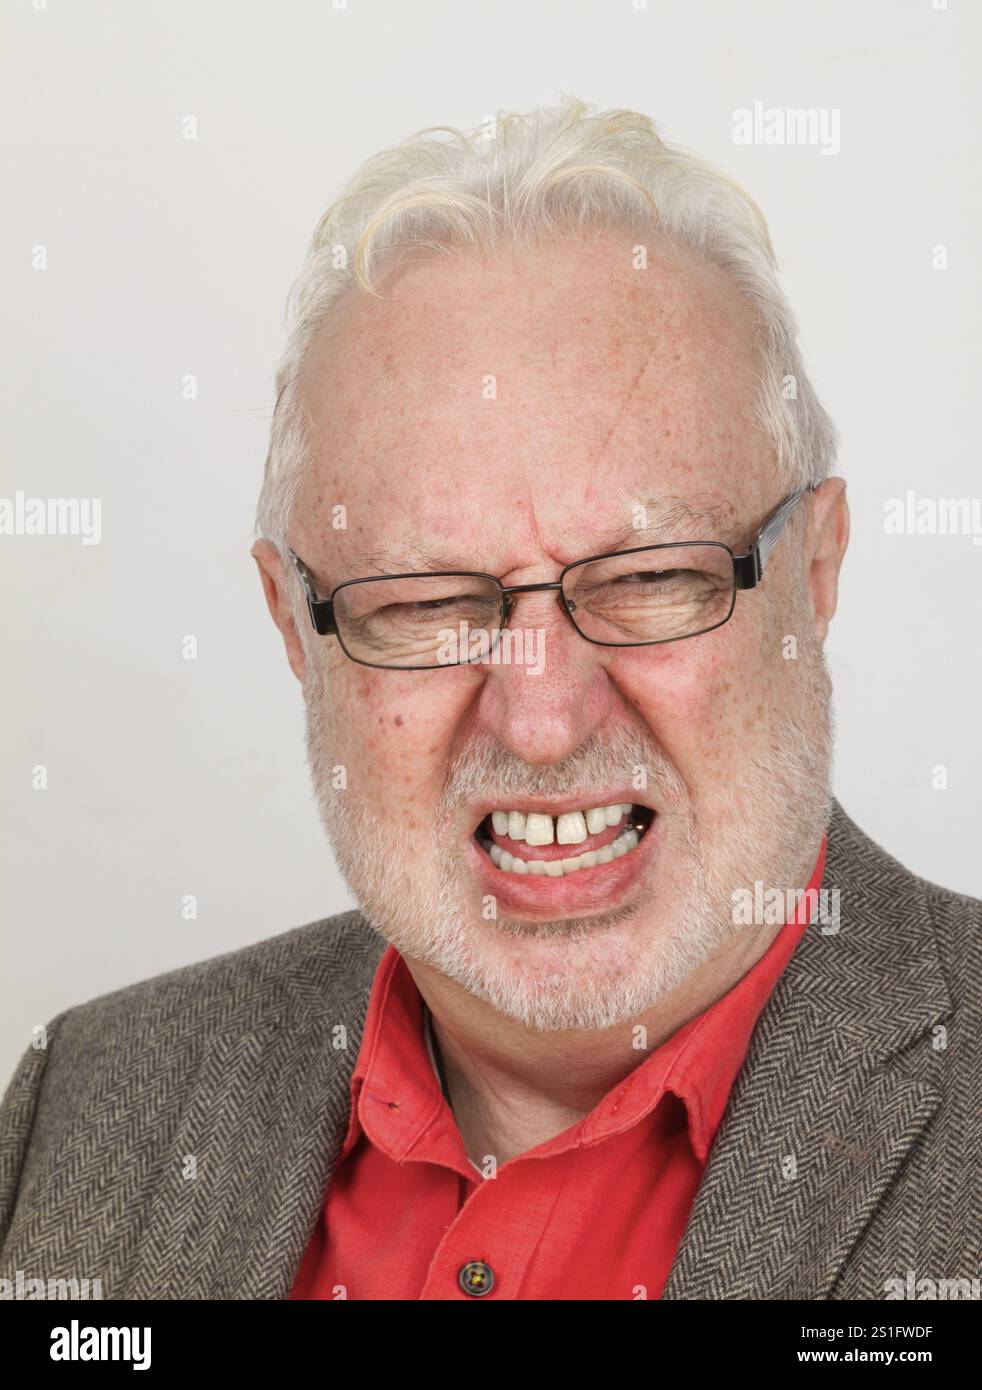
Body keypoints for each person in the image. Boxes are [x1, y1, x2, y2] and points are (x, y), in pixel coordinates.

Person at [2, 99, 978, 1302]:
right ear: (291, 627)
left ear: (815, 571)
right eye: (419, 604)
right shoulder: (86, 1101)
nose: (542, 720)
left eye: (652, 578)